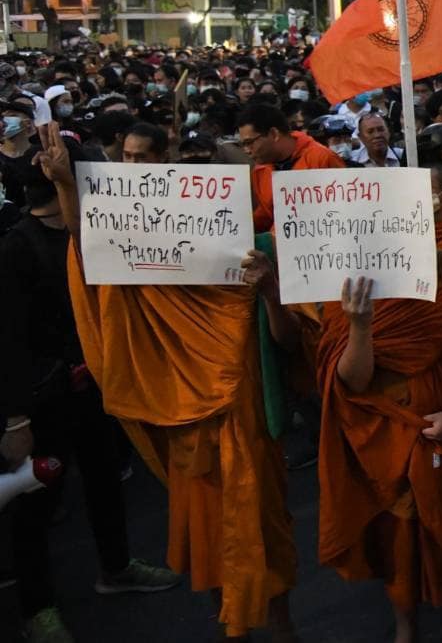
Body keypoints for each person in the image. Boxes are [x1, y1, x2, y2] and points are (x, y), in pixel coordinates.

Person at [40, 125, 298, 640]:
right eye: (126, 157)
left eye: (144, 157)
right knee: (208, 544)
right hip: (181, 411)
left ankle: (283, 631)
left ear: (168, 158)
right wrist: (68, 185)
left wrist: (267, 290)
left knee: (262, 534)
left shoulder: (219, 220)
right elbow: (86, 243)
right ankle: (234, 628)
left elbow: (284, 333)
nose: (134, 168)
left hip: (239, 404)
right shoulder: (126, 230)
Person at [3, 146, 182, 643]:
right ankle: (37, 607)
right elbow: (9, 339)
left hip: (100, 388)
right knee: (37, 505)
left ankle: (116, 566)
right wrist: (16, 418)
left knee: (105, 481)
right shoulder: (16, 248)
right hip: (45, 403)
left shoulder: (98, 237)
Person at [313, 165, 442, 643]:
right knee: (395, 537)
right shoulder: (343, 279)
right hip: (381, 434)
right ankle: (405, 624)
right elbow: (348, 380)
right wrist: (361, 326)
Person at [239, 101, 346, 234]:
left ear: (273, 134)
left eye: (249, 143)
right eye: (243, 144)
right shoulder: (260, 170)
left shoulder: (321, 158)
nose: (247, 150)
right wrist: (239, 228)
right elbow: (267, 215)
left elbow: (344, 213)